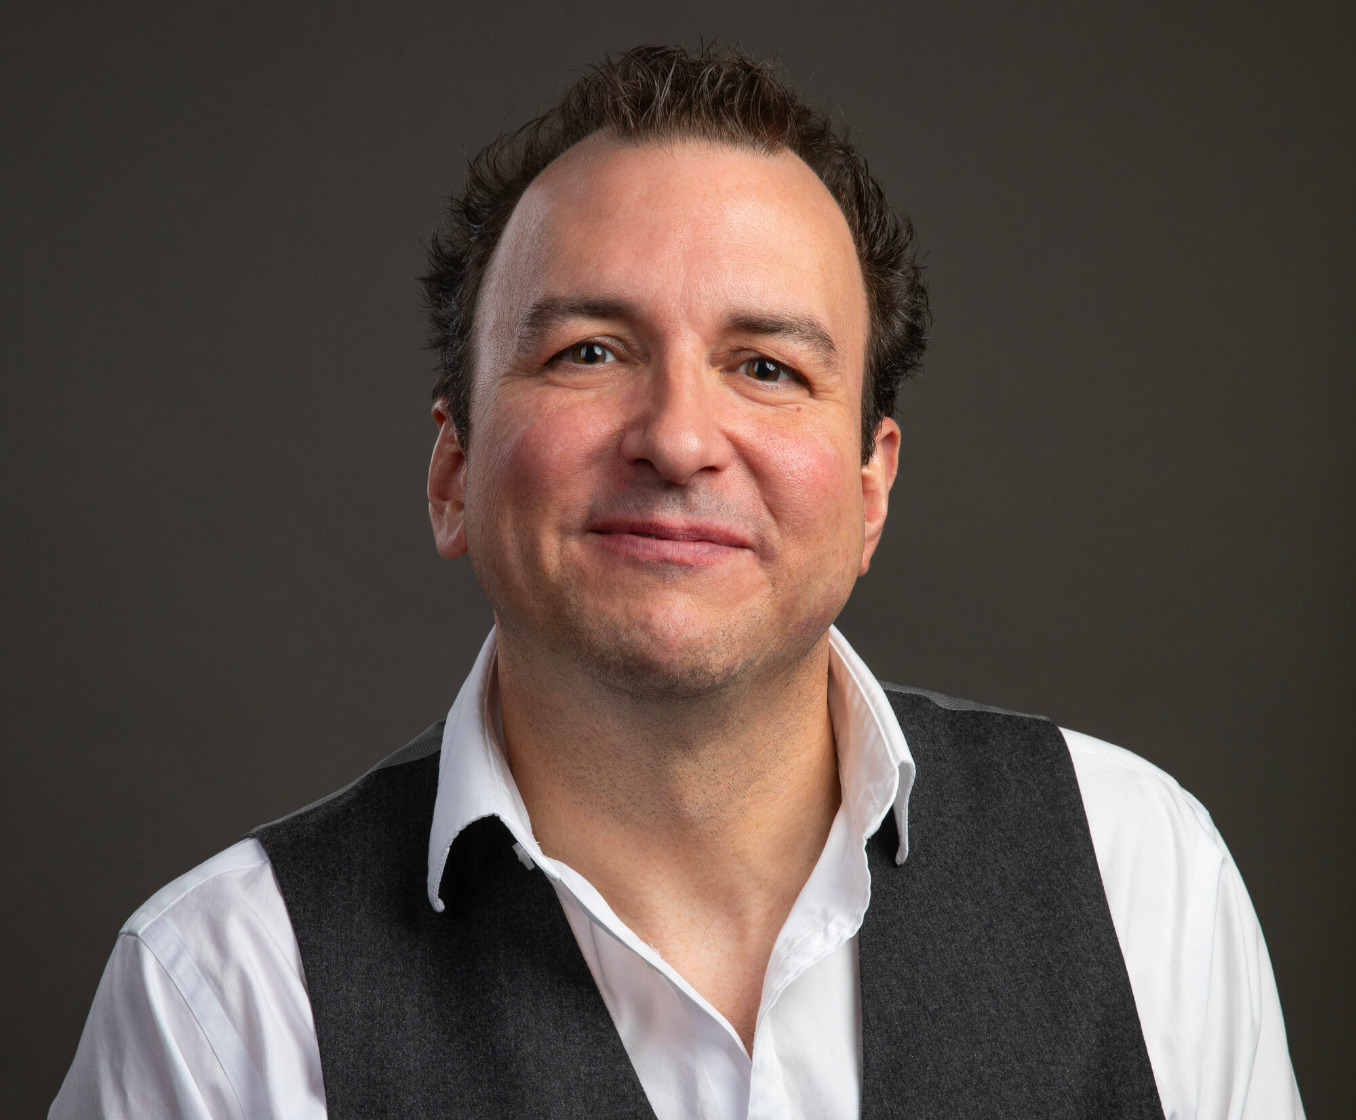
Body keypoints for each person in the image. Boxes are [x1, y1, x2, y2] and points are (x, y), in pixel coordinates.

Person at [51, 44, 1304, 1120]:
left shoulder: (1141, 876)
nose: (679, 438)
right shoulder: (222, 995)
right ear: (453, 470)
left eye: (766, 367)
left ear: (871, 487)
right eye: (590, 351)